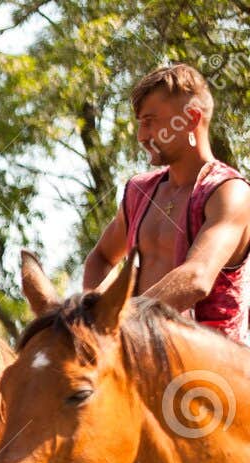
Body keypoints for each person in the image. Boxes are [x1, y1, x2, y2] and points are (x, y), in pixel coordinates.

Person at [83, 63, 250, 342]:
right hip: (143, 356)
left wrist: (118, 319)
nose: (141, 136)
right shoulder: (139, 191)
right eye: (140, 123)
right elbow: (100, 257)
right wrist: (90, 313)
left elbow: (197, 278)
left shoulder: (229, 192)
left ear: (191, 119)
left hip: (212, 369)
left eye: (150, 121)